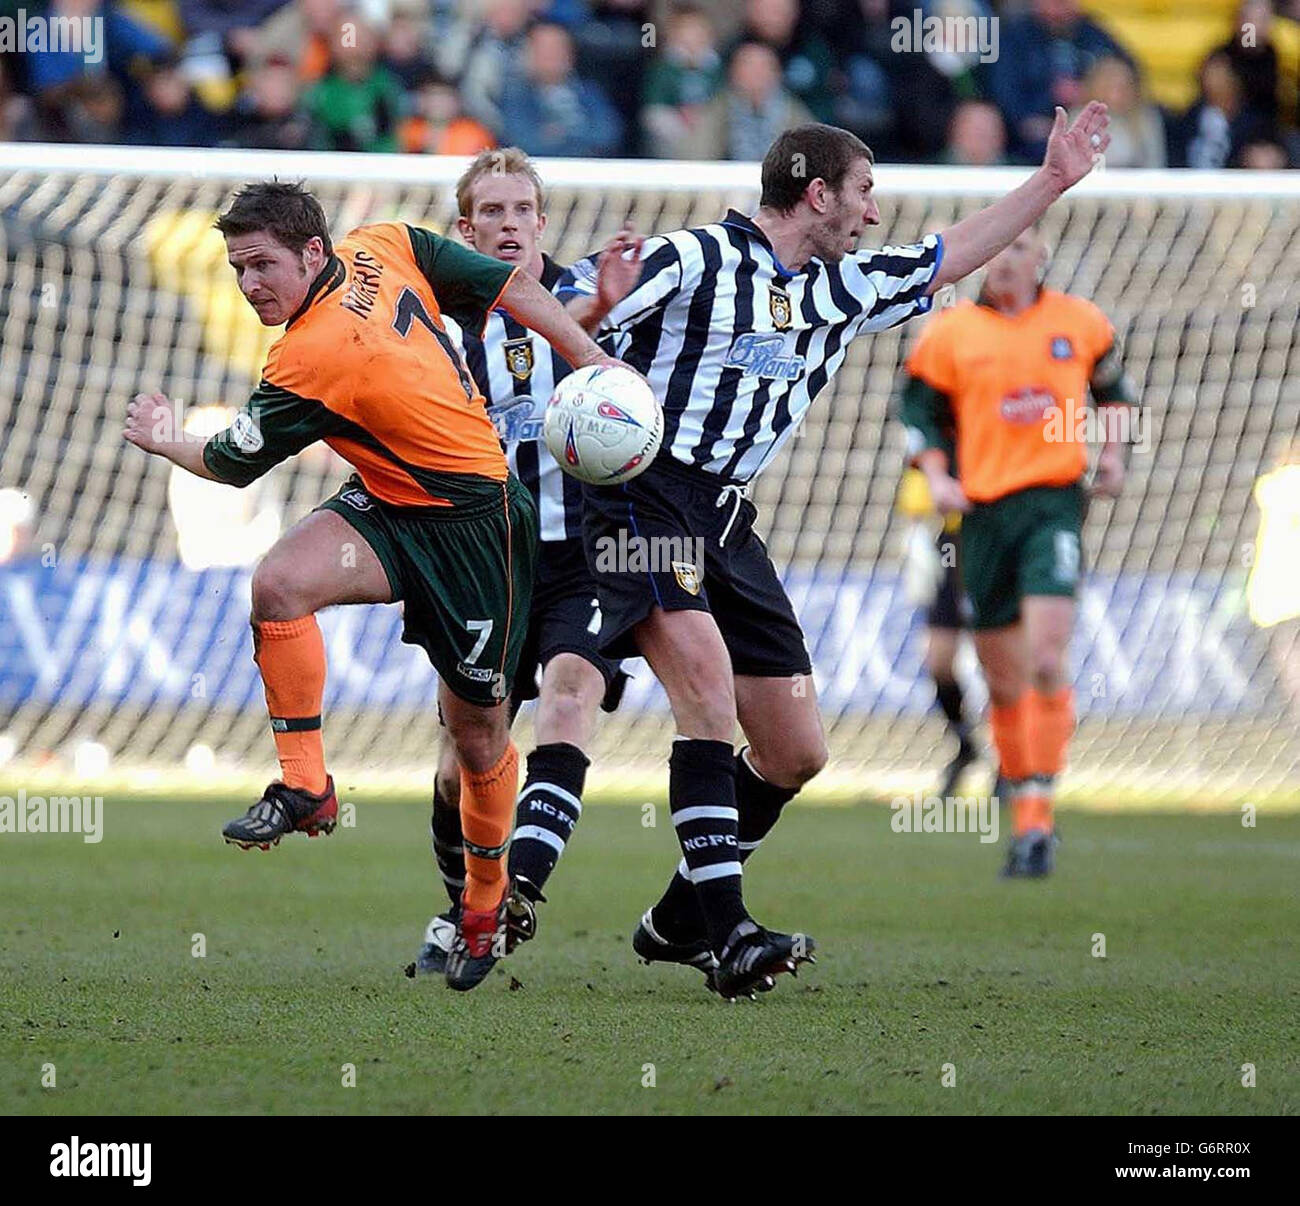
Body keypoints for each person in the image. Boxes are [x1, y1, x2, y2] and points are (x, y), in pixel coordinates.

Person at [560, 109, 1110, 997]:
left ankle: (676, 919)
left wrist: (1051, 179)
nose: (873, 213)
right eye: (864, 193)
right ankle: (731, 934)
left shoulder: (842, 288)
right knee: (704, 689)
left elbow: (951, 252)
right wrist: (589, 329)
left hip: (727, 519)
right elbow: (558, 295)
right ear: (816, 193)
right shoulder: (692, 257)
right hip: (641, 493)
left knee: (795, 752)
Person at [123, 181, 622, 990]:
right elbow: (514, 287)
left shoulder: (309, 355)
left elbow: (226, 464)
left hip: (476, 526)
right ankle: (307, 785)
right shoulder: (385, 242)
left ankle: (486, 909)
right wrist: (591, 354)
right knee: (278, 584)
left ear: (314, 252)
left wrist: (165, 440)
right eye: (238, 268)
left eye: (262, 265)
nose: (250, 285)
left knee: (478, 738)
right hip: (392, 505)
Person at [415, 148, 641, 976]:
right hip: (485, 560)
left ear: (541, 222)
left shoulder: (603, 288)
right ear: (464, 229)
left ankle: (519, 896)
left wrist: (609, 312)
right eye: (492, 214)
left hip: (584, 550)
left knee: (572, 695)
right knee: (461, 767)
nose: (509, 226)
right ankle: (463, 910)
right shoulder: (438, 323)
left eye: (523, 211)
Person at [899, 226, 1136, 877]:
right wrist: (938, 474)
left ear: (1041, 260)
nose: (1004, 259)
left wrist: (1112, 457)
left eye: (1019, 248)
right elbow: (916, 412)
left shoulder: (1079, 323)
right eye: (997, 248)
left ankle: (1038, 820)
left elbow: (1114, 395)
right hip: (981, 515)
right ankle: (1021, 803)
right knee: (1002, 680)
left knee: (1047, 653)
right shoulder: (949, 335)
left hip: (1053, 504)